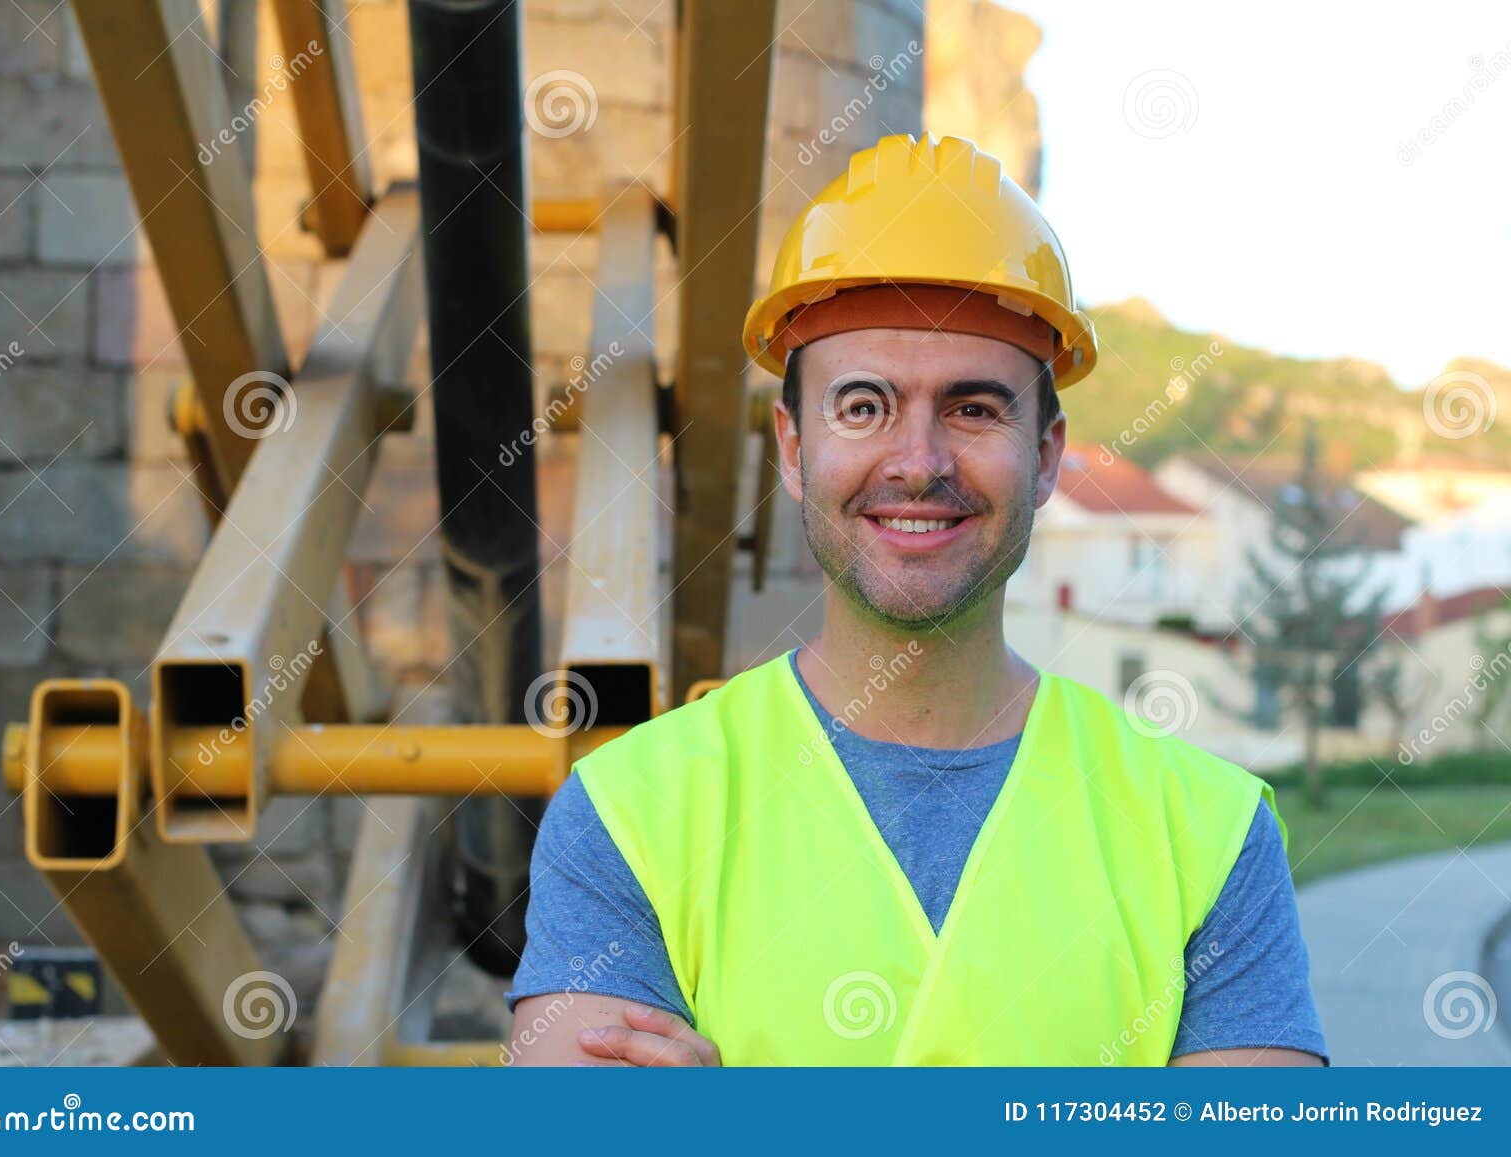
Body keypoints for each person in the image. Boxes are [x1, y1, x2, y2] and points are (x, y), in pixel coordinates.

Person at [503, 132, 1328, 1066]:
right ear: (792, 446)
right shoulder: (631, 811)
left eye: (974, 408)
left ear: (1048, 454)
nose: (919, 462)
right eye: (863, 405)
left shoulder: (1209, 834)